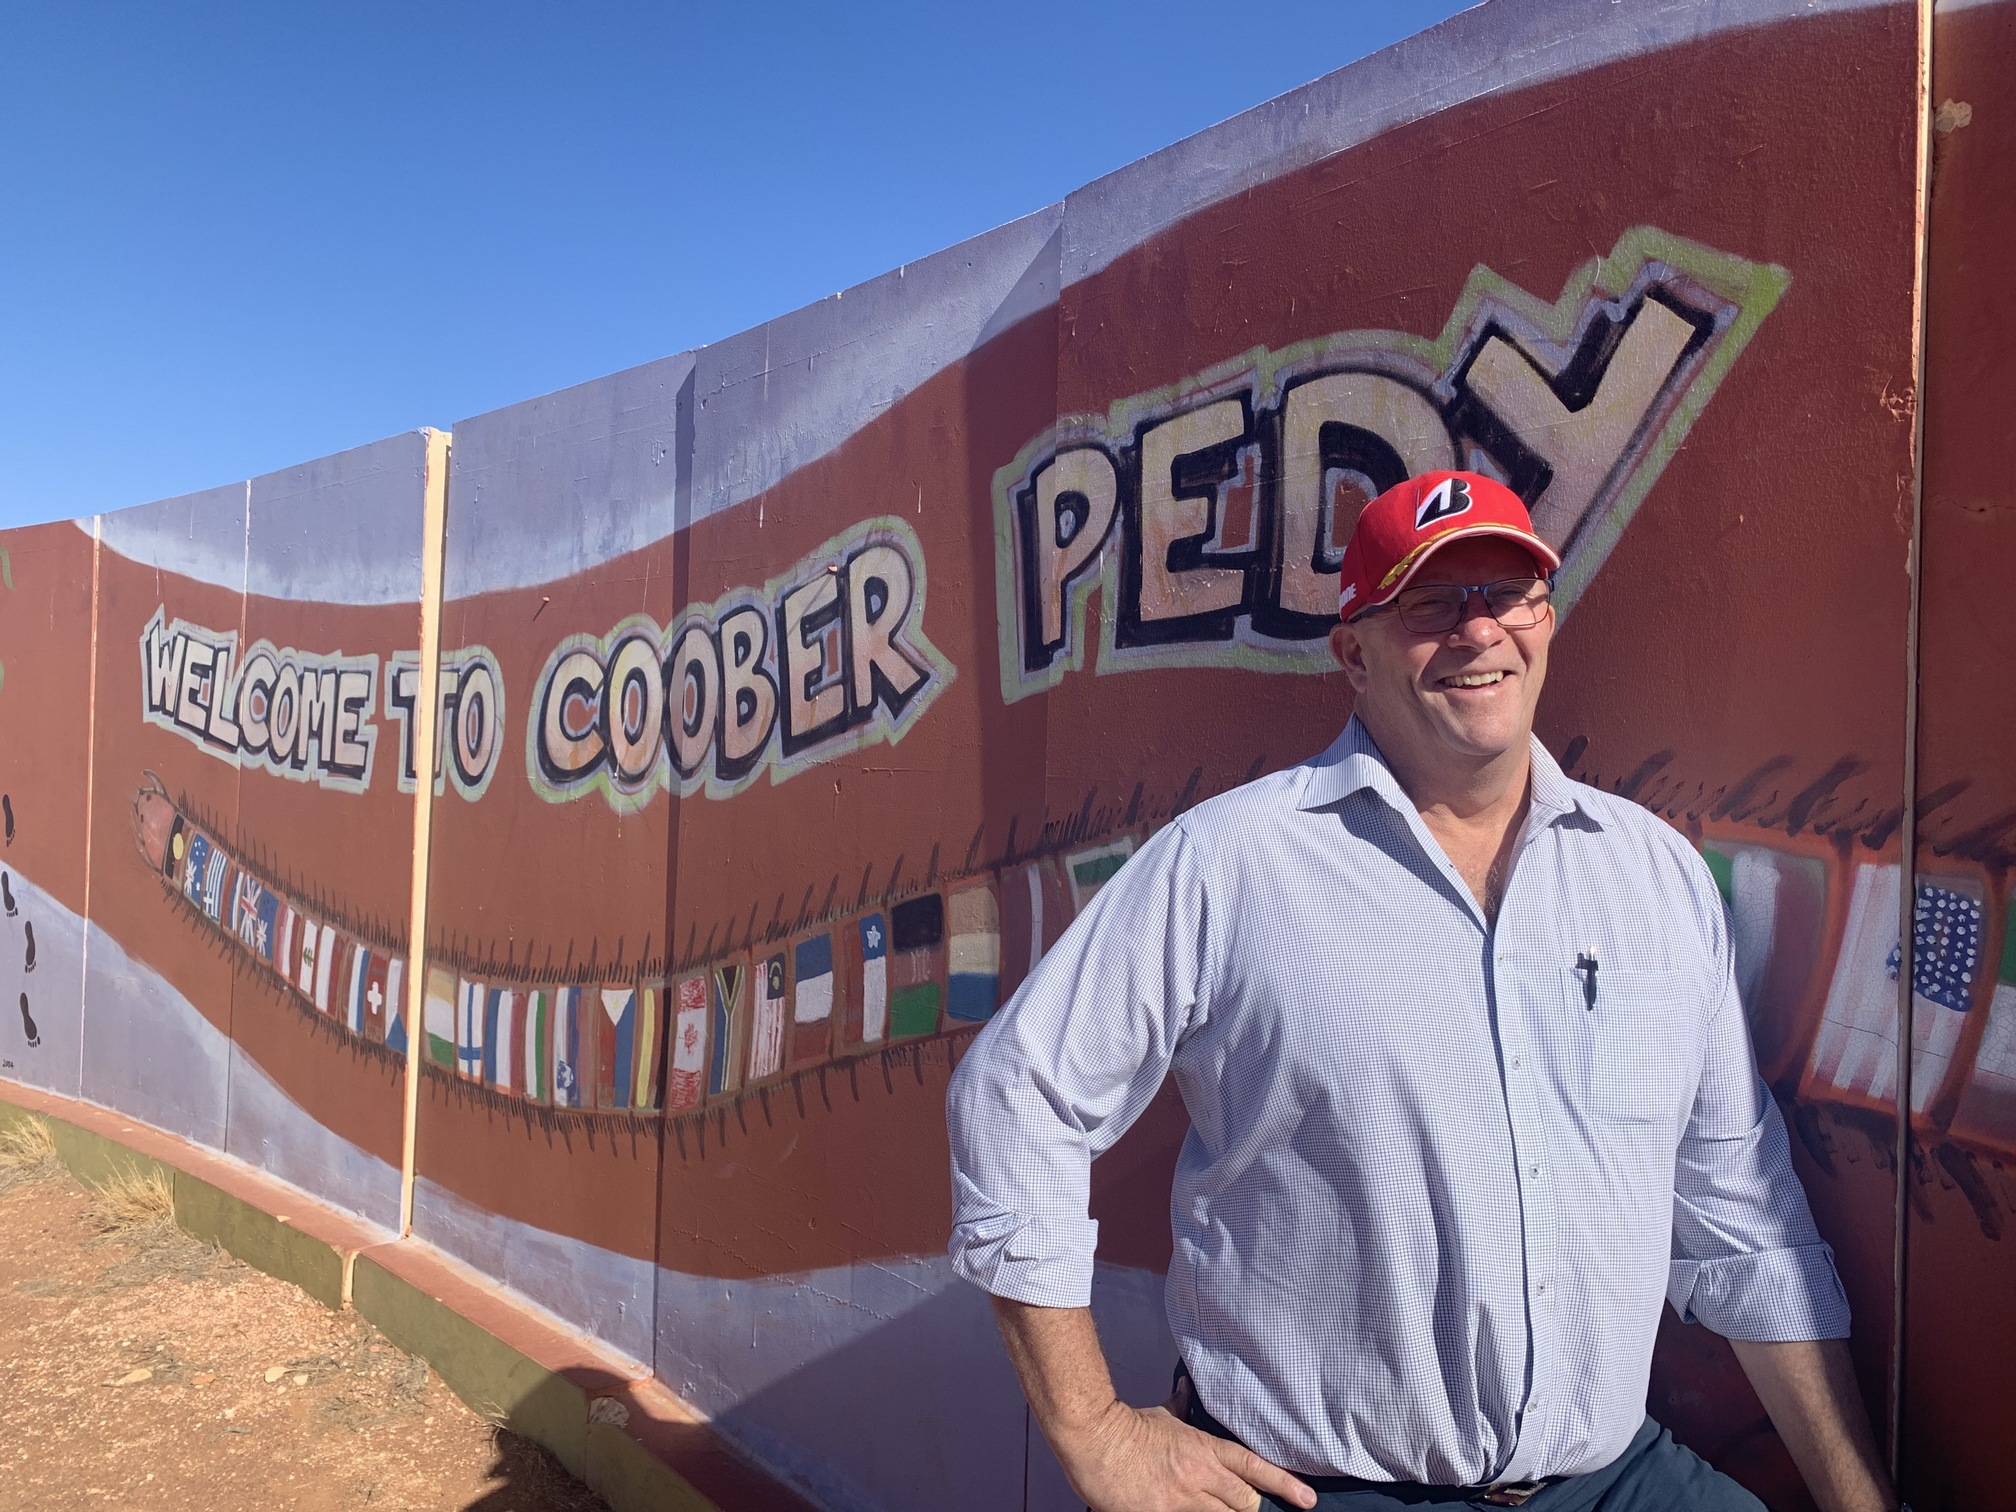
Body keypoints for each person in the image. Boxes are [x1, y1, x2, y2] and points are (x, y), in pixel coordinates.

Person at [946, 472, 1898, 1512]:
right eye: (1430, 602)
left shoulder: (1653, 877)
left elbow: (1741, 1220)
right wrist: (1092, 1431)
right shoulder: (1231, 866)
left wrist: (1861, 1502)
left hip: (1608, 1478)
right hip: (1327, 1492)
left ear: (1546, 618)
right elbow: (1015, 1095)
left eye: (1505, 592)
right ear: (1354, 652)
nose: (1478, 630)